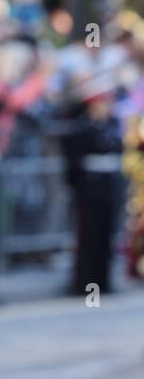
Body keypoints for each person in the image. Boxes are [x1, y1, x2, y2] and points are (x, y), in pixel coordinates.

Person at [61, 75, 126, 297]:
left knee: (105, 237)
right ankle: (86, 284)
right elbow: (74, 161)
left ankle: (103, 281)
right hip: (90, 187)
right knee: (87, 238)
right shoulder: (83, 129)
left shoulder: (113, 125)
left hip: (107, 186)